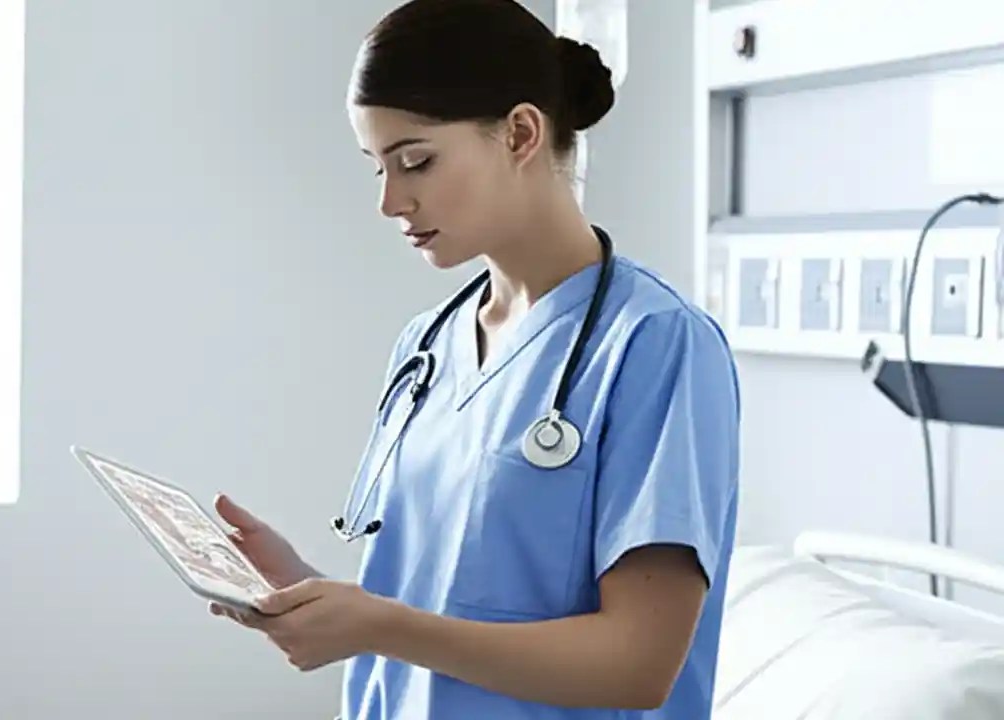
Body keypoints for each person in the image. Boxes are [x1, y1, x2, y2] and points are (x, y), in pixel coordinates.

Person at [208, 0, 741, 717]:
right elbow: (438, 604)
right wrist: (307, 593)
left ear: (521, 133)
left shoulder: (654, 345)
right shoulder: (426, 347)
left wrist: (381, 624)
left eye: (416, 161)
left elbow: (637, 666)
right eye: (377, 169)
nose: (391, 201)